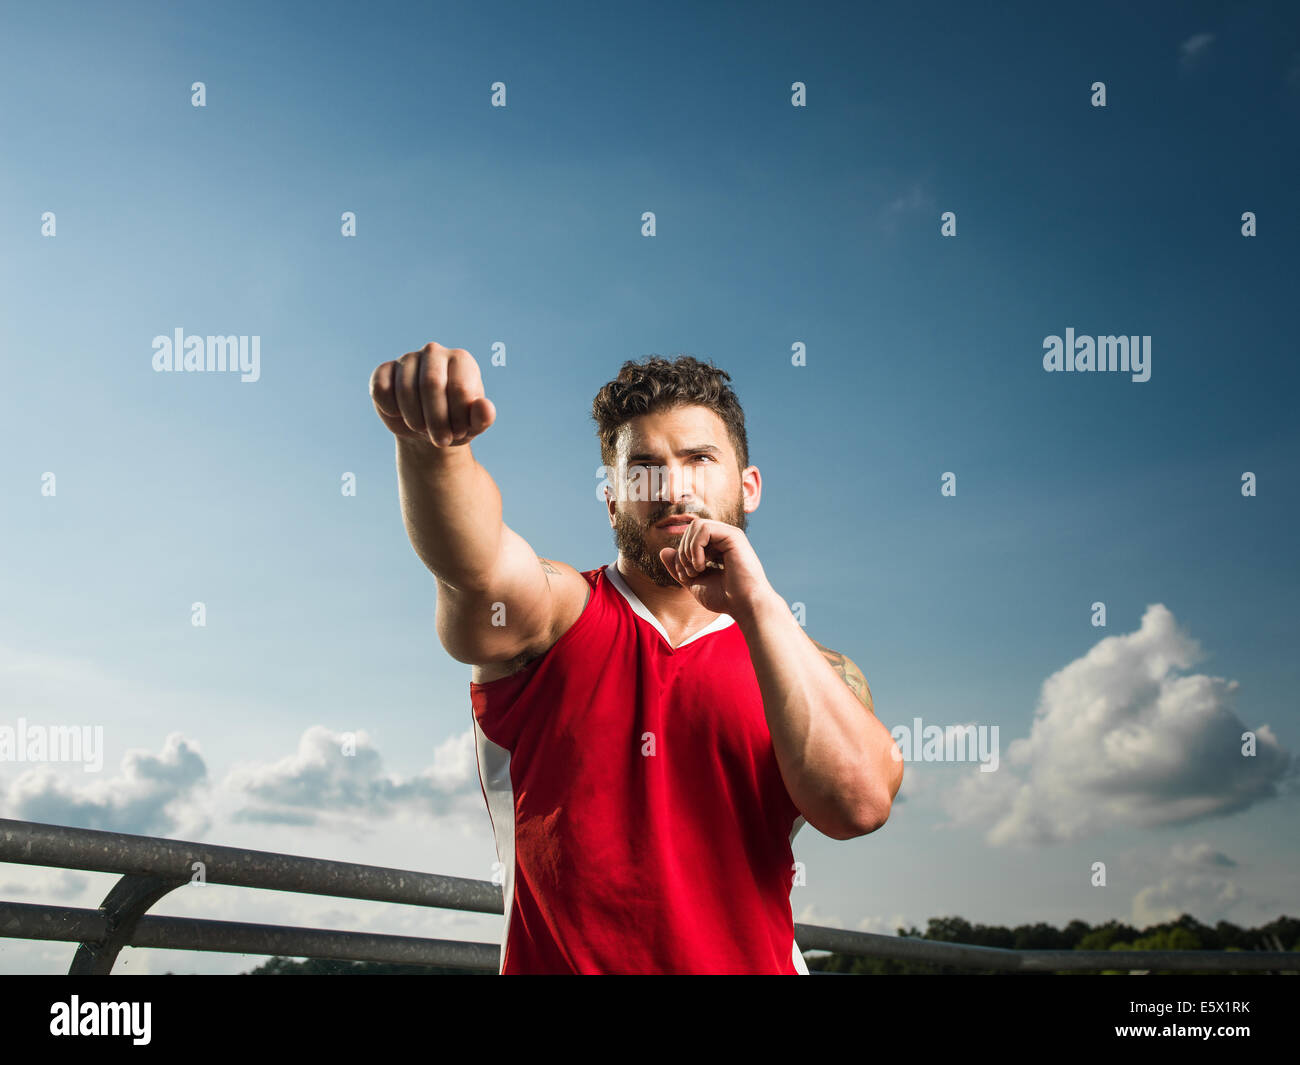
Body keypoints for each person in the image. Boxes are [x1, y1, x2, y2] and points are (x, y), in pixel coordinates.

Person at [369, 342, 903, 974]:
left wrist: (756, 602)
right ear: (613, 499)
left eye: (700, 459)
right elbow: (477, 569)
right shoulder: (557, 616)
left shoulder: (805, 663)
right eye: (643, 468)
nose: (673, 488)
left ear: (749, 487)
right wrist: (434, 451)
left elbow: (858, 806)